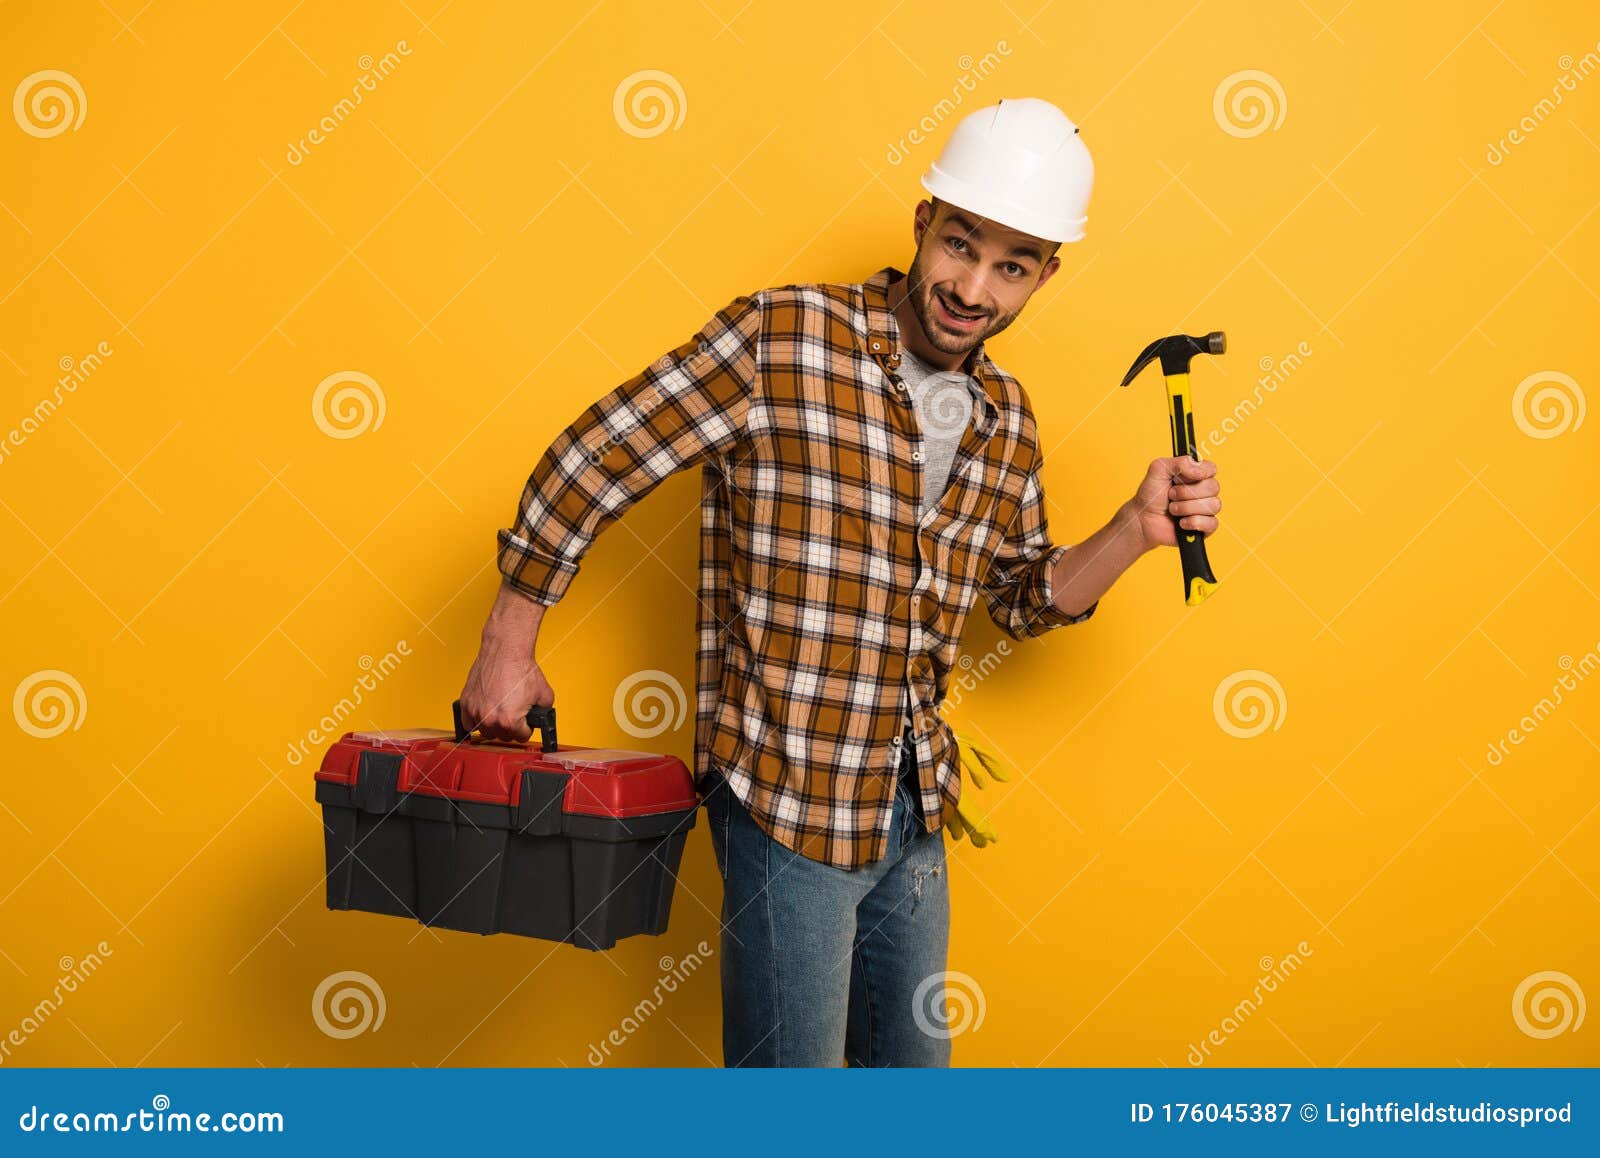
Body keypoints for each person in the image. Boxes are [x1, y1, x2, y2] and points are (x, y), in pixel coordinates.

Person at [457, 97, 1223, 1066]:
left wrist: (1132, 530)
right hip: (787, 799)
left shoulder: (1006, 419)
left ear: (1044, 275)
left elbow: (1022, 600)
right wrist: (506, 645)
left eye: (1011, 265)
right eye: (959, 243)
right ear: (922, 222)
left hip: (912, 806)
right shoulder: (783, 339)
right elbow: (594, 459)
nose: (971, 286)